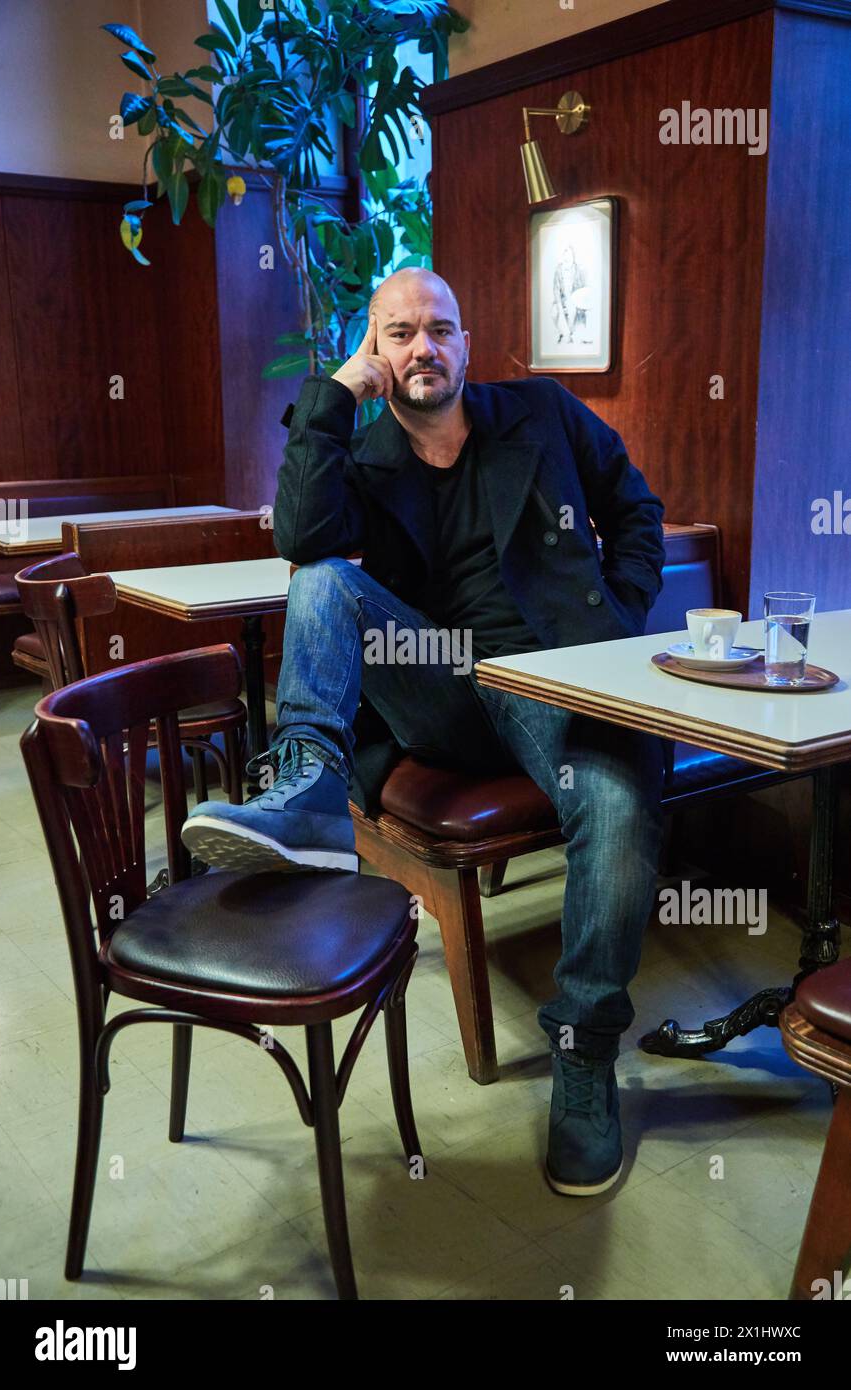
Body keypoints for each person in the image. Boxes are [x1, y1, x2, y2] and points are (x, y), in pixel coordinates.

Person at [181, 267, 668, 1198]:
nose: (422, 349)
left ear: (466, 342)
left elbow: (635, 511)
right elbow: (302, 533)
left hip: (555, 676)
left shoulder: (545, 415)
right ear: (376, 349)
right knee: (320, 579)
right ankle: (310, 792)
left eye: (438, 329)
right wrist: (335, 396)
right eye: (399, 334)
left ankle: (582, 1051)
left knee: (615, 801)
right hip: (438, 677)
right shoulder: (366, 455)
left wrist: (621, 611)